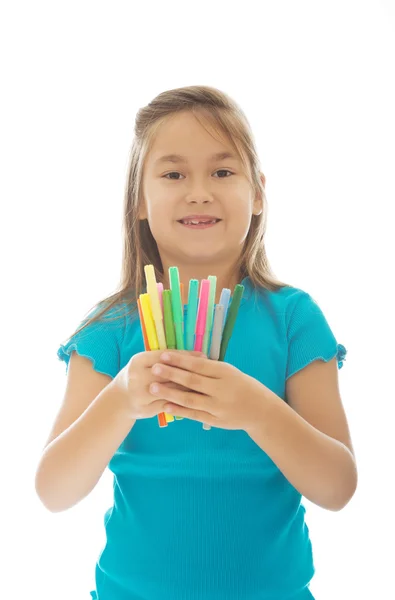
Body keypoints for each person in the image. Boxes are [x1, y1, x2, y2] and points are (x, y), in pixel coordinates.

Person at [35, 85, 357, 600]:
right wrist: (120, 400)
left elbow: (337, 487)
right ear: (140, 201)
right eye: (173, 173)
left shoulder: (294, 319)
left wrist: (258, 409)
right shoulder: (111, 327)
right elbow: (54, 490)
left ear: (257, 193)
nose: (199, 191)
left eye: (223, 172)